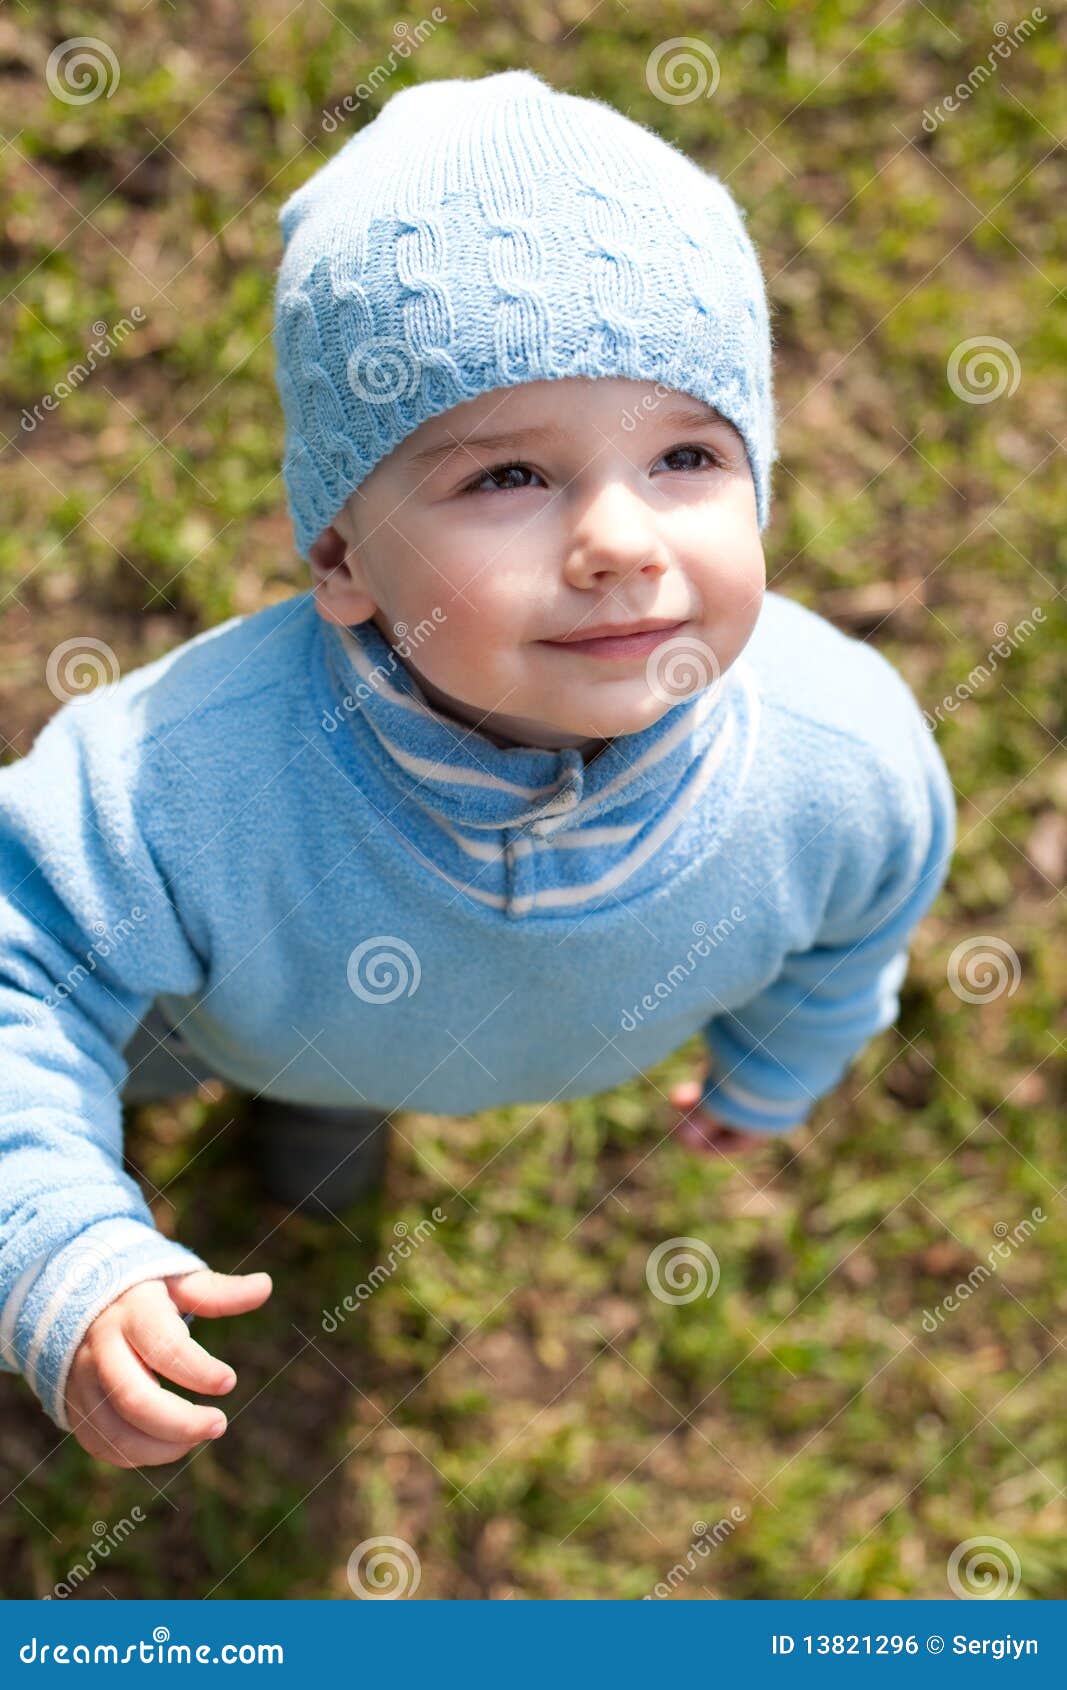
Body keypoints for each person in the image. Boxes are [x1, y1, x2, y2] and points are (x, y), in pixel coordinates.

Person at [0, 68, 955, 1467]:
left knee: (343, 1106)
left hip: (414, 1021)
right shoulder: (175, 789)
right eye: (510, 476)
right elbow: (19, 974)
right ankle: (249, 1127)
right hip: (218, 1012)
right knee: (214, 1064)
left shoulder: (845, 761)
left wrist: (775, 1072)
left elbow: (858, 935)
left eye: (687, 452)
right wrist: (56, 1237)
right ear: (340, 556)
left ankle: (325, 1136)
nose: (622, 537)